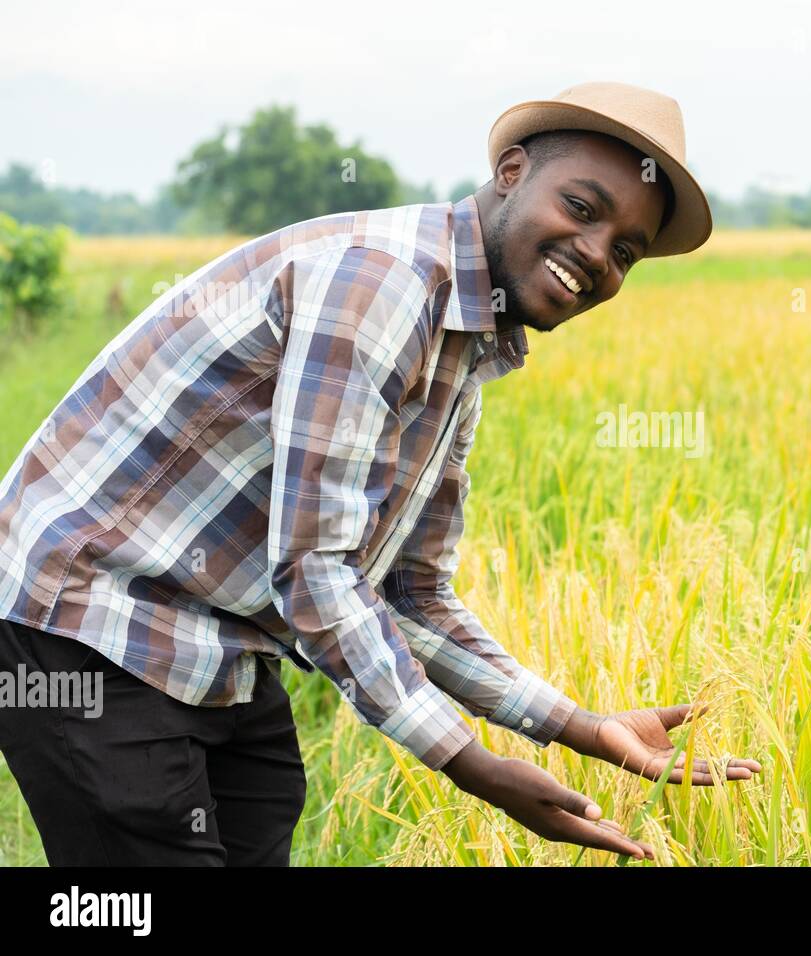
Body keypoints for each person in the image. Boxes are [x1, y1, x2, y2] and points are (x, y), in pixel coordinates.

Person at [0, 81, 761, 866]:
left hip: (220, 639)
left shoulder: (469, 343)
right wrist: (474, 767)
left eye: (626, 252)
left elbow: (410, 594)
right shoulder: (384, 285)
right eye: (582, 207)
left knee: (262, 802)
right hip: (87, 618)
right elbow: (316, 569)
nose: (597, 256)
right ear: (510, 172)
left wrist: (584, 728)